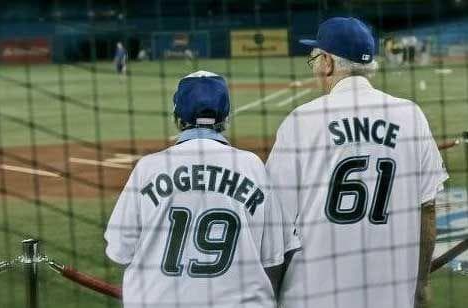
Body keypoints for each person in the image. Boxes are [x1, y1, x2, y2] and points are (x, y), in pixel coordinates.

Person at [266, 17, 448, 308]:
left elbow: (273, 223)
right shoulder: (411, 116)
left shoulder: (302, 120)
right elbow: (426, 211)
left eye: (313, 58)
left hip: (312, 297)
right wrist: (422, 283)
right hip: (391, 298)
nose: (313, 67)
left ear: (327, 62)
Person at [105, 70, 300, 308]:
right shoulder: (252, 167)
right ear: (226, 118)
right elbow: (273, 260)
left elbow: (119, 252)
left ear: (177, 117)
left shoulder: (148, 169)